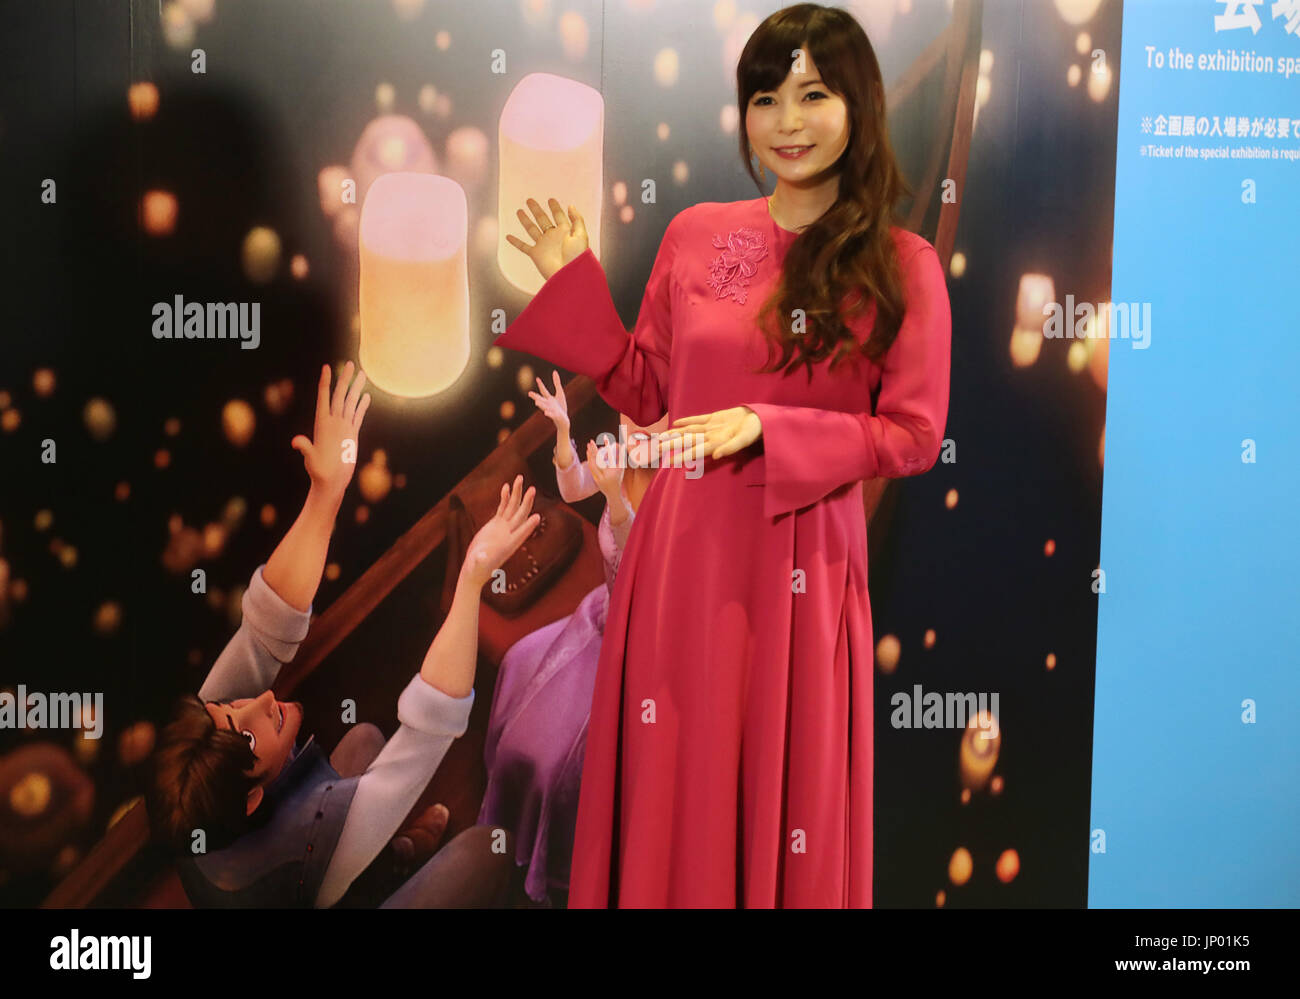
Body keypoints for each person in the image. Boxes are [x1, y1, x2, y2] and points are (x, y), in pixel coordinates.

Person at [497, 4, 952, 907]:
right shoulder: (697, 232)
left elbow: (912, 434)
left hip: (799, 569)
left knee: (782, 797)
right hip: (678, 557)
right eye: (766, 97)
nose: (786, 120)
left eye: (813, 94)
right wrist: (573, 282)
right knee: (673, 780)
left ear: (858, 106)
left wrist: (768, 426)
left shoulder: (902, 265)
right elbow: (646, 387)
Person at [147, 361, 541, 908]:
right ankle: (378, 870)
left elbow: (267, 626)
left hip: (307, 872)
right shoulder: (301, 838)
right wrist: (474, 576)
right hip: (306, 880)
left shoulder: (206, 753)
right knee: (487, 852)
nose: (262, 698)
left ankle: (386, 857)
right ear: (254, 798)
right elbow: (430, 729)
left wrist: (326, 493)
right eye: (250, 732)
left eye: (235, 706)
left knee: (362, 743)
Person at [478, 370, 664, 905]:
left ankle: (548, 855)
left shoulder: (676, 491)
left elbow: (639, 579)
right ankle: (503, 805)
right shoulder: (625, 454)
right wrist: (562, 431)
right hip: (597, 618)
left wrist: (619, 504)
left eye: (639, 425)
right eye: (626, 419)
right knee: (518, 662)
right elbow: (572, 485)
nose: (626, 430)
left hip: (636, 650)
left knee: (557, 760)